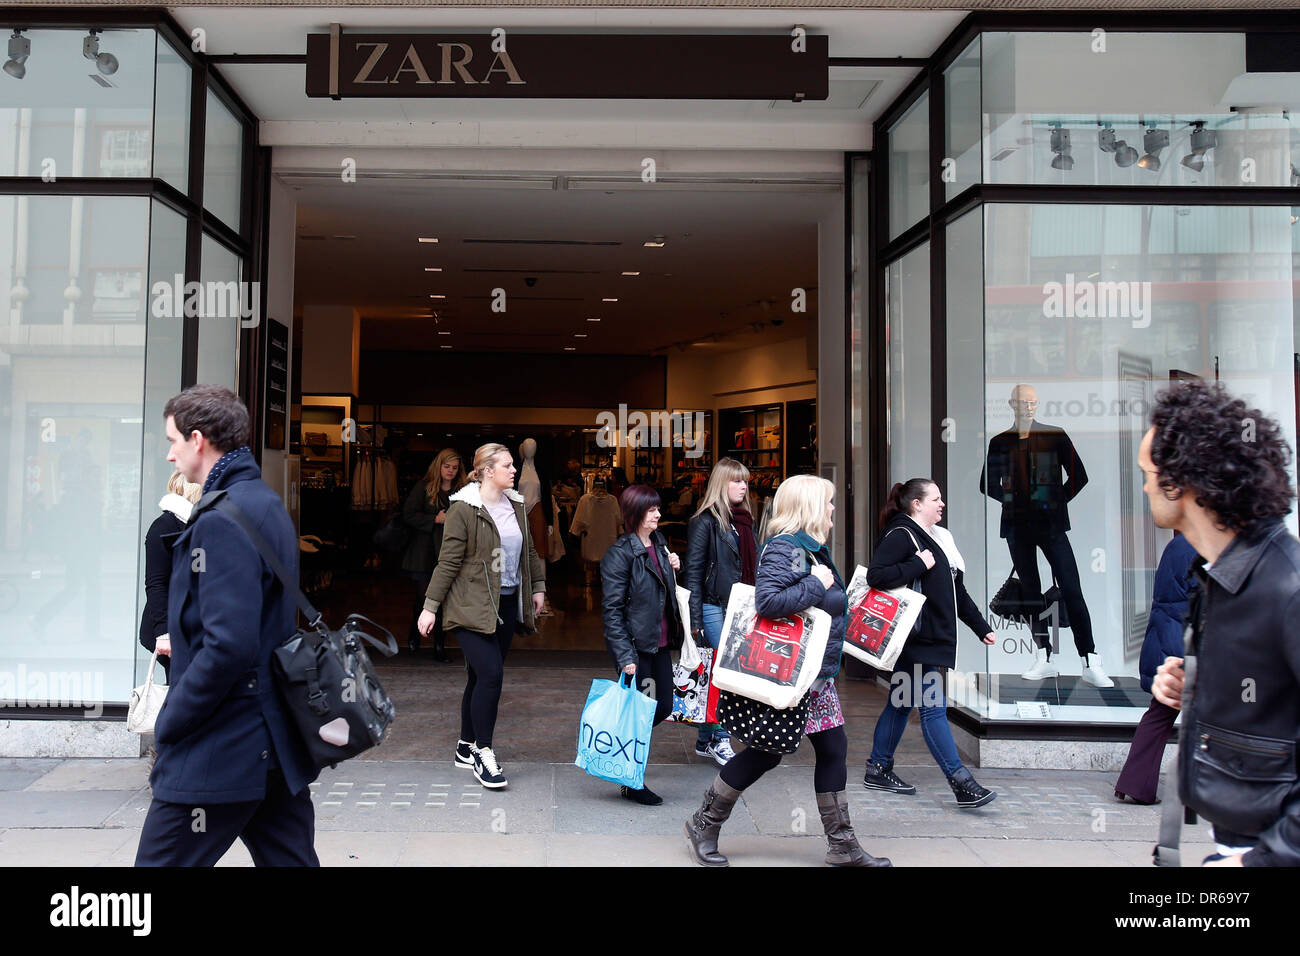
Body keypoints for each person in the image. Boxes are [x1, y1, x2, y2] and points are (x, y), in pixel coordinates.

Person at [135, 385, 318, 866]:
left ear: (199, 439)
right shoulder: (263, 502)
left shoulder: (220, 519)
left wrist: (171, 720)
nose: (169, 452)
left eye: (173, 439)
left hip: (222, 747)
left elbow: (228, 646)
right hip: (270, 745)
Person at [685, 475, 891, 867]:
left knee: (833, 748)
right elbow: (769, 601)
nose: (833, 510)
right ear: (810, 507)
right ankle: (703, 822)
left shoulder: (813, 550)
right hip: (790, 675)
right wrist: (816, 582)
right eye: (828, 503)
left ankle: (842, 846)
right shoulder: (786, 548)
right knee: (765, 753)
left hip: (816, 677)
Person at [1146, 381, 1300, 867]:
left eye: (1149, 474)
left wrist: (1258, 863)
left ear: (1182, 482)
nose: (1147, 486)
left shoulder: (1286, 587)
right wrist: (1202, 682)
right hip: (1233, 843)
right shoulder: (1221, 576)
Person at [864, 478, 998, 809]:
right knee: (933, 710)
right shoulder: (902, 534)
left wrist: (980, 626)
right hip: (918, 639)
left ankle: (878, 768)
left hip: (930, 639)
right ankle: (961, 783)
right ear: (916, 504)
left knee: (900, 702)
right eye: (935, 499)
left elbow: (956, 591)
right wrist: (917, 564)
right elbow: (876, 576)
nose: (942, 504)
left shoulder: (939, 539)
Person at [418, 443, 546, 790]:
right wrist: (431, 606)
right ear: (488, 470)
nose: (514, 470)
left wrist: (537, 587)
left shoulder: (516, 505)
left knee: (479, 676)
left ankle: (464, 744)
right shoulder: (464, 508)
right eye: (507, 465)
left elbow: (530, 550)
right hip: (469, 605)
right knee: (491, 675)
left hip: (505, 603)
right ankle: (482, 752)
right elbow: (448, 562)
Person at [981, 383, 1113, 687]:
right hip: (1017, 527)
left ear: (1037, 405)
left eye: (1032, 403)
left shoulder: (1054, 436)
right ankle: (1043, 656)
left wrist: (1055, 503)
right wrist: (1014, 502)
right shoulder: (1000, 442)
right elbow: (987, 483)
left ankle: (1090, 658)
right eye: (1022, 402)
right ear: (1011, 404)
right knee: (1030, 591)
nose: (1027, 407)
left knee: (1071, 586)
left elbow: (1079, 476)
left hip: (1051, 526)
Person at [599, 484, 683, 806]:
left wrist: (675, 567)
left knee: (663, 706)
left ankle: (625, 763)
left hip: (660, 643)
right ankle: (632, 780)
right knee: (640, 713)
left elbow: (664, 592)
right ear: (635, 514)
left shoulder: (660, 544)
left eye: (658, 509)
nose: (658, 515)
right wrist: (624, 656)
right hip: (637, 649)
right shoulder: (620, 554)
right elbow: (612, 611)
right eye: (652, 510)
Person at [1114, 533, 1197, 805]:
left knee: (1159, 715)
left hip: (1167, 638)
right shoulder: (1201, 545)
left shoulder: (1178, 545)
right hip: (1188, 643)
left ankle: (1135, 784)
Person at [684, 458, 756, 765]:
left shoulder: (745, 521)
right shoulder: (705, 521)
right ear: (721, 483)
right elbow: (694, 572)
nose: (743, 486)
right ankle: (722, 738)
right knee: (727, 673)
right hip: (714, 606)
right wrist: (695, 618)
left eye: (745, 481)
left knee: (718, 673)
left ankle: (705, 738)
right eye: (736, 480)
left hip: (741, 606)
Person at [139, 470, 203, 682]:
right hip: (172, 630)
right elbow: (155, 584)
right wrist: (163, 633)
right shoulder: (164, 526)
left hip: (193, 627)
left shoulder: (198, 524)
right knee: (180, 689)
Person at [403, 449, 466, 660]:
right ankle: (415, 636)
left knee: (444, 600)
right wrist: (434, 520)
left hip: (448, 553)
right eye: (447, 466)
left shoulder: (461, 490)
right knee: (424, 599)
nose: (450, 471)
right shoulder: (423, 487)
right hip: (424, 552)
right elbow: (408, 515)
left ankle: (439, 645)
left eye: (454, 467)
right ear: (438, 466)